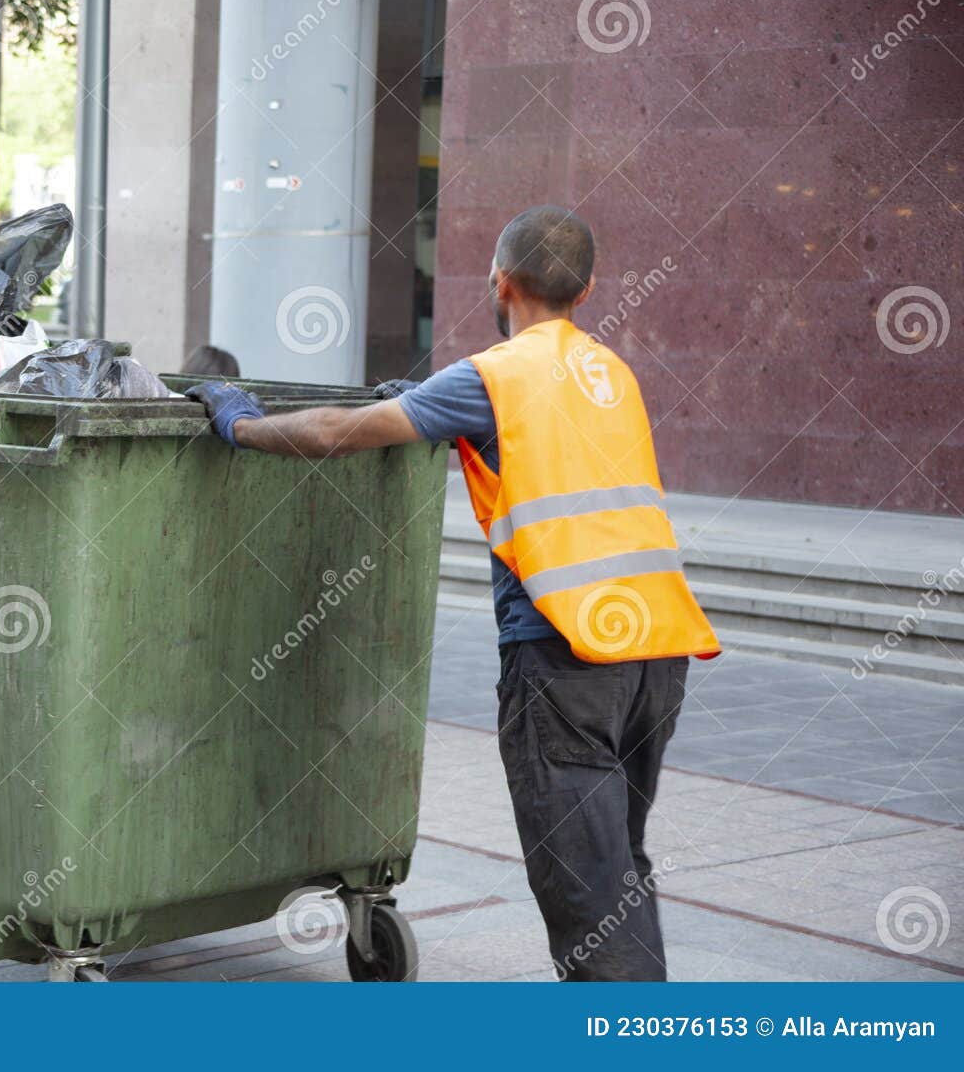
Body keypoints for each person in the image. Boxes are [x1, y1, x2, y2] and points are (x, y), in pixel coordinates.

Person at [187, 205, 719, 981]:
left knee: (587, 890)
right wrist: (438, 404)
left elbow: (336, 431)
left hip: (567, 658)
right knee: (617, 867)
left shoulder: (493, 376)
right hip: (657, 655)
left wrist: (240, 424)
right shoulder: (613, 372)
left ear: (500, 281)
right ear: (587, 289)